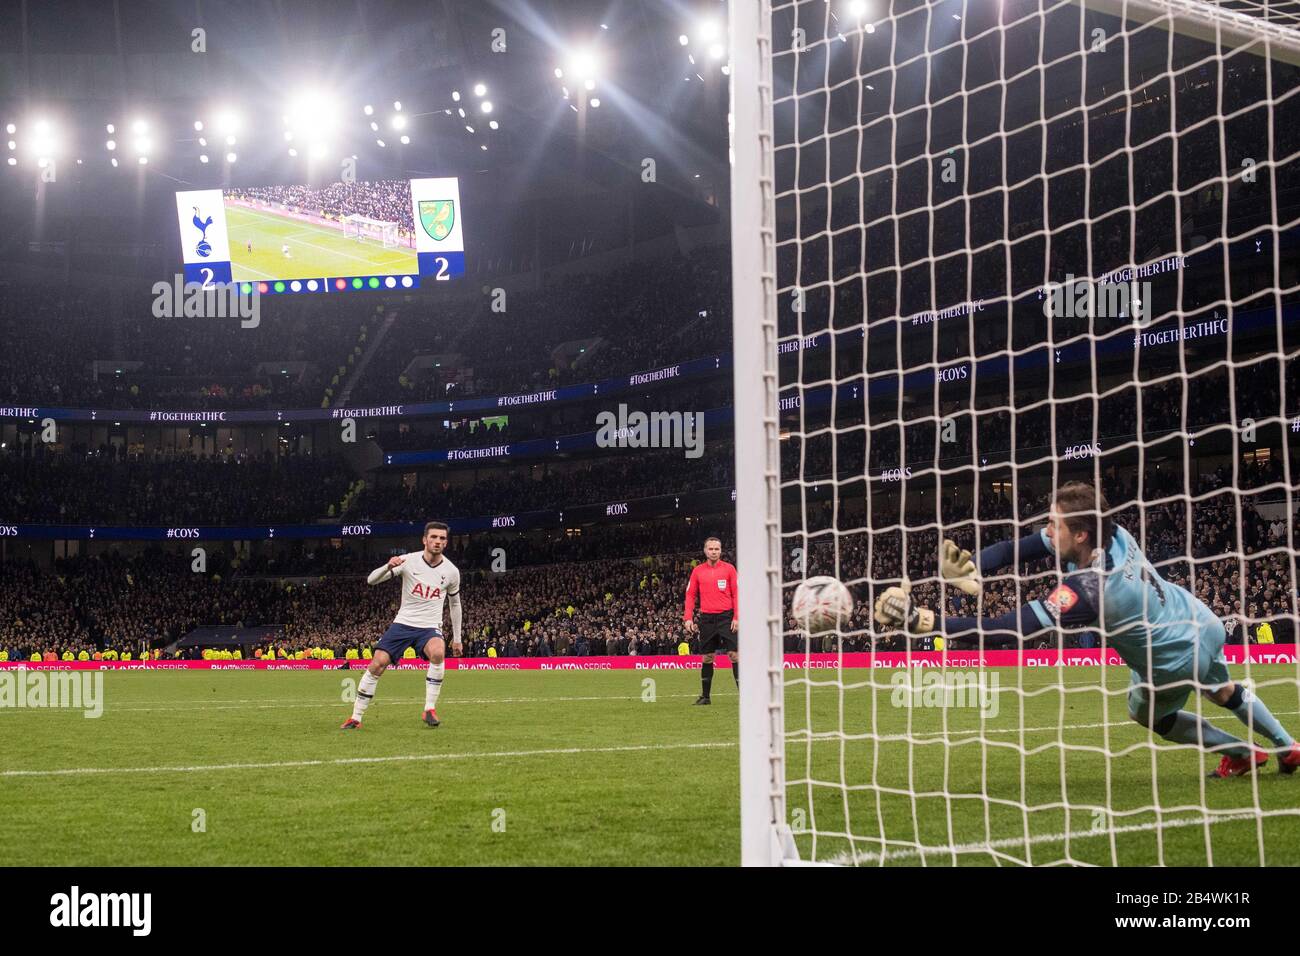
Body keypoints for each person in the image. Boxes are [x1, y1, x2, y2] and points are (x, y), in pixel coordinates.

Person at [875, 481, 1300, 778]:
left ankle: (1243, 753)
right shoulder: (1111, 532)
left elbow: (1007, 633)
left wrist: (925, 621)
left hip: (1172, 657)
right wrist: (974, 567)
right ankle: (1287, 745)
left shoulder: (1088, 591)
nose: (1048, 528)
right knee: (1223, 691)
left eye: (1055, 524)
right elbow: (1018, 547)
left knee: (1145, 712)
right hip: (1199, 621)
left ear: (1078, 533)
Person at [341, 521, 462, 730]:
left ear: (446, 543)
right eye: (433, 537)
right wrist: (388, 566)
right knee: (377, 663)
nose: (438, 541)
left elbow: (455, 603)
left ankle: (429, 709)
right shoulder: (408, 561)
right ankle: (356, 717)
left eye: (442, 538)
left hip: (429, 627)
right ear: (425, 540)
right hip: (403, 623)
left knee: (438, 652)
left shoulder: (452, 571)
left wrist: (457, 638)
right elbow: (371, 580)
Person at [683, 536, 739, 706]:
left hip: (726, 617)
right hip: (706, 619)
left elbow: (737, 594)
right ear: (705, 550)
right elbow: (690, 595)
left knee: (734, 655)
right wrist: (688, 618)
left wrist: (737, 617)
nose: (714, 552)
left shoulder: (729, 569)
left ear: (721, 551)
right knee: (707, 657)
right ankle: (705, 697)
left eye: (717, 549)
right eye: (711, 549)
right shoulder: (698, 571)